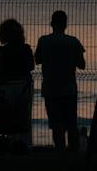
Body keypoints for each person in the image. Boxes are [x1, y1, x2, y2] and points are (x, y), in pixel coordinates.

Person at [34, 9, 87, 153]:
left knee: (56, 124)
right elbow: (82, 64)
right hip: (69, 88)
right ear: (65, 25)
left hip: (50, 89)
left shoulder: (43, 41)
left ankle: (60, 153)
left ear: (51, 24)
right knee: (71, 123)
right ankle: (73, 154)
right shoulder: (73, 41)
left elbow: (37, 60)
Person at [0, 18, 35, 148]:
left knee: (7, 116)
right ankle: (25, 145)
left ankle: (9, 144)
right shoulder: (26, 49)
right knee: (23, 116)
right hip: (24, 87)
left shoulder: (1, 51)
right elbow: (31, 67)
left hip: (5, 88)